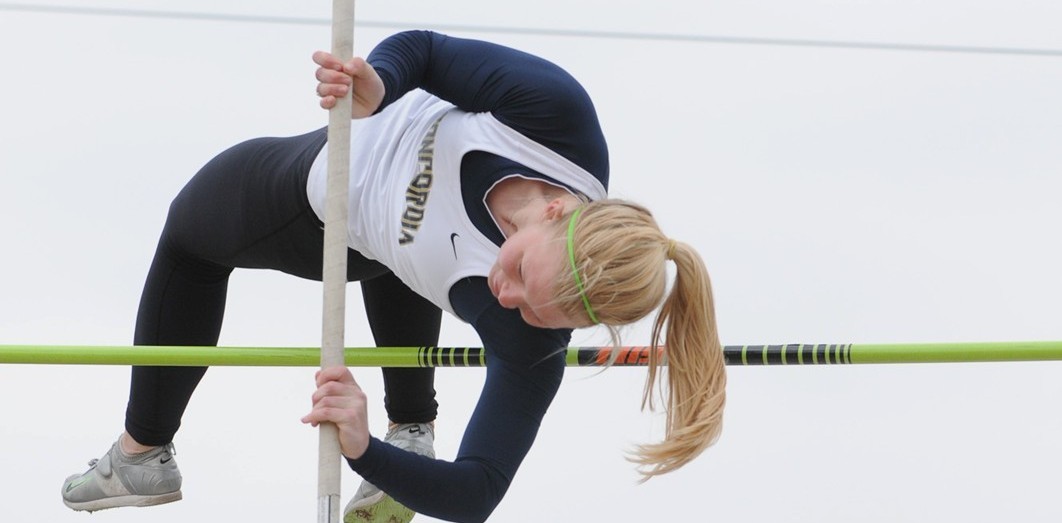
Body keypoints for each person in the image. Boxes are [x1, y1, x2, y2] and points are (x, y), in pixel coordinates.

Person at [60, 30, 726, 523]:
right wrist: (379, 80)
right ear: (557, 209)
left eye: (539, 313)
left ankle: (141, 453)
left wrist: (364, 447)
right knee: (217, 232)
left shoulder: (531, 346)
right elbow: (429, 52)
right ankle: (407, 423)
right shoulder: (555, 117)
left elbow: (476, 492)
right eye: (522, 268)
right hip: (352, 153)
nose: (508, 294)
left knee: (195, 240)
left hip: (336, 220)